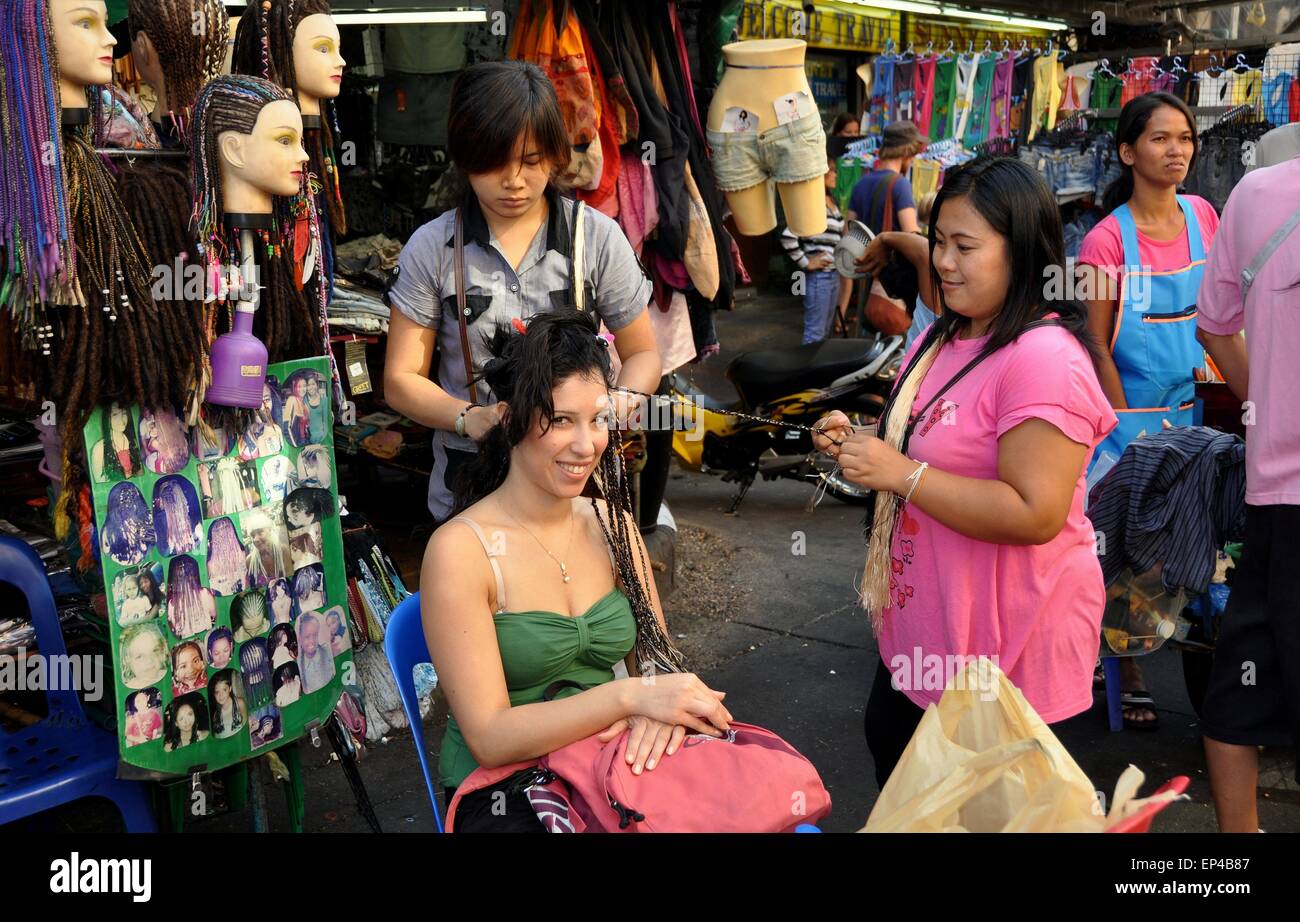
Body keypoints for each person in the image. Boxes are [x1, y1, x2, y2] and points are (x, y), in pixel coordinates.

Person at [815, 158, 1117, 788]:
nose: (943, 262)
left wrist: (901, 474)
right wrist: (864, 443)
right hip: (928, 635)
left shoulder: (1043, 359)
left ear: (1023, 252)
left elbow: (1035, 513)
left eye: (964, 246)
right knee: (905, 777)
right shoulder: (948, 334)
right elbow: (933, 443)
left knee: (979, 809)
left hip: (1006, 648)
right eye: (938, 241)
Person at [420, 310, 731, 832]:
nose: (586, 445)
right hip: (505, 788)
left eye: (599, 418)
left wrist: (661, 712)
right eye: (562, 420)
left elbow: (657, 664)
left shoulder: (612, 524)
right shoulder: (460, 551)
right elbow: (490, 736)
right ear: (510, 417)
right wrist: (628, 698)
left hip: (609, 760)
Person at [383, 60, 662, 523]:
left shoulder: (595, 238)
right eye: (494, 163)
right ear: (465, 158)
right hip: (471, 484)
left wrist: (608, 407)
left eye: (531, 162)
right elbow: (400, 379)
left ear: (555, 155)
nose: (514, 181)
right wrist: (468, 417)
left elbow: (645, 355)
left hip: (577, 484)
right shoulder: (432, 248)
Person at [1076, 92, 1219, 731]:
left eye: (1185, 138)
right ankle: (1125, 663)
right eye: (1161, 139)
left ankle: (1197, 654)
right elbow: (1095, 344)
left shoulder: (1205, 217)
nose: (1177, 150)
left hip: (1203, 412)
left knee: (1196, 545)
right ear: (1129, 151)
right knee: (1128, 548)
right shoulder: (1105, 242)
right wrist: (1122, 428)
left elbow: (1219, 317)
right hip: (1130, 421)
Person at [1195, 149, 1300, 833]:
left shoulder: (1258, 192)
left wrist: (1265, 403)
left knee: (1242, 675)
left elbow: (1213, 323)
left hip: (1274, 492)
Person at [780, 154, 850, 344]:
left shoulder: (831, 202)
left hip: (832, 276)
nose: (835, 175)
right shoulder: (813, 203)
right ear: (822, 173)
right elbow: (788, 236)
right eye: (833, 171)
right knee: (815, 335)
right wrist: (806, 263)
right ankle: (807, 373)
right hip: (820, 278)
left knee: (823, 334)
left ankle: (816, 373)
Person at [846, 121, 924, 235]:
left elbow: (847, 232)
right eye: (913, 155)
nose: (912, 160)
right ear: (907, 152)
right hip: (888, 251)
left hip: (865, 252)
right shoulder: (900, 184)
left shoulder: (860, 183)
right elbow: (912, 234)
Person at [297, 612, 335, 693]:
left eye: (315, 635)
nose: (312, 641)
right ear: (300, 639)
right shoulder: (299, 664)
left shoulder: (327, 651)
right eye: (307, 637)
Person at [210, 673, 247, 739]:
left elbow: (246, 728)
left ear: (230, 689)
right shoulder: (216, 715)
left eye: (224, 690)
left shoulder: (240, 703)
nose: (221, 695)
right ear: (214, 694)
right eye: (217, 692)